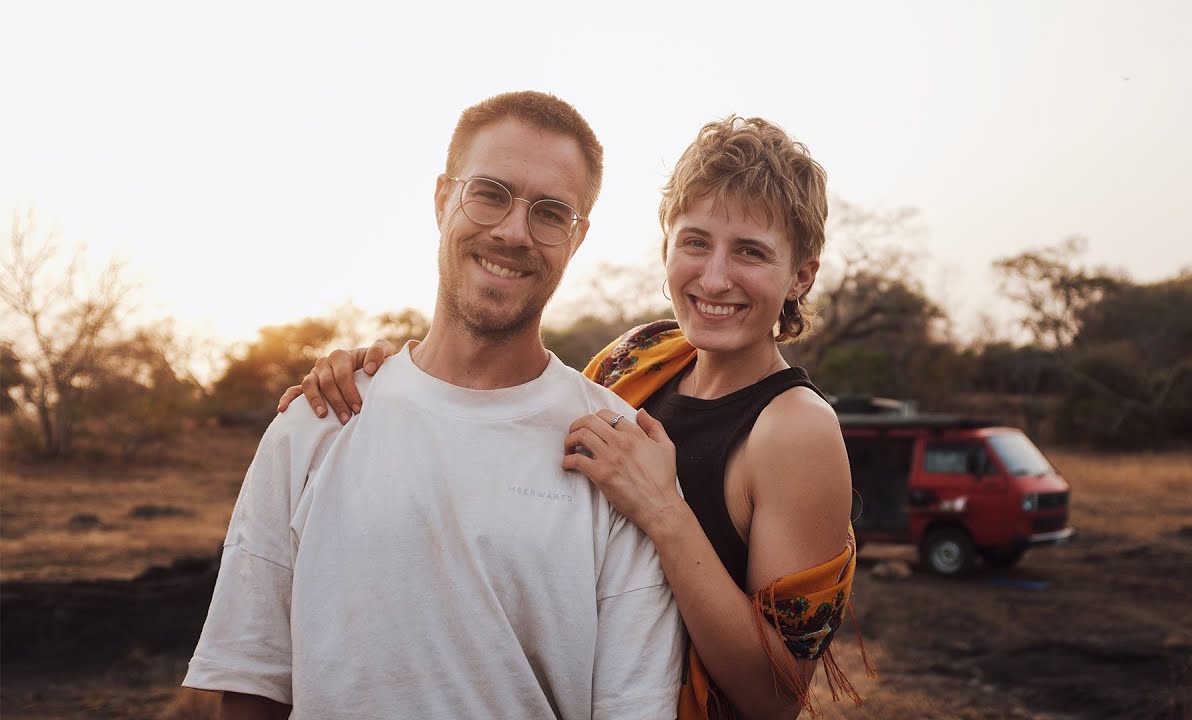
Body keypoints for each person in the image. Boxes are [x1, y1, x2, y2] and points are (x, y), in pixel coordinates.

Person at [281, 116, 875, 719]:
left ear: (802, 274)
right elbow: (523, 436)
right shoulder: (640, 356)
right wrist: (386, 378)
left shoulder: (796, 428)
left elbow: (775, 698)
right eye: (695, 241)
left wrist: (665, 512)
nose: (715, 277)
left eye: (750, 252)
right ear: (667, 244)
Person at [184, 90, 684, 719]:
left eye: (551, 212)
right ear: (443, 197)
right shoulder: (315, 424)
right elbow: (253, 686)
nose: (512, 231)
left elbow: (633, 707)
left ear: (578, 236)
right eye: (490, 193)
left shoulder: (617, 457)